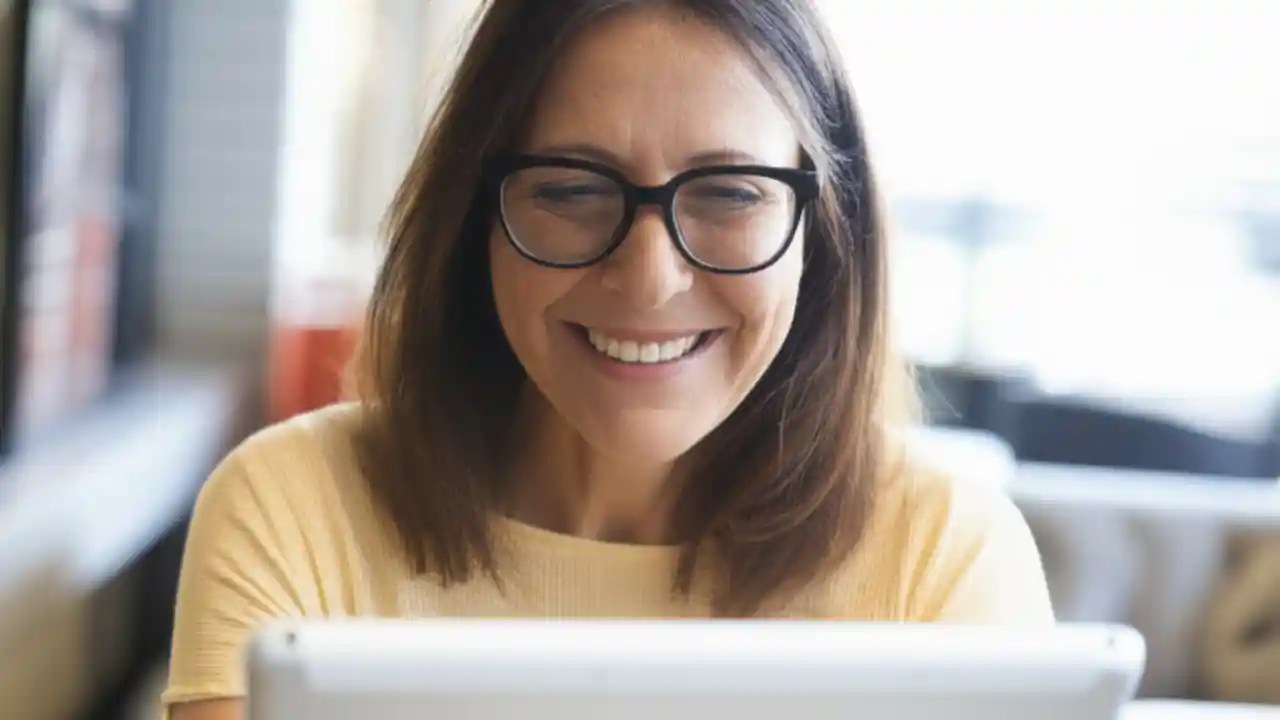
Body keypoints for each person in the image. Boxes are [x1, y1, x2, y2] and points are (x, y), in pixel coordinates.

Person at [165, 1, 1053, 717]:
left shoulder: (943, 557)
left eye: (731, 192)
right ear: (477, 216)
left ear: (823, 232)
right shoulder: (294, 507)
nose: (650, 278)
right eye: (572, 189)